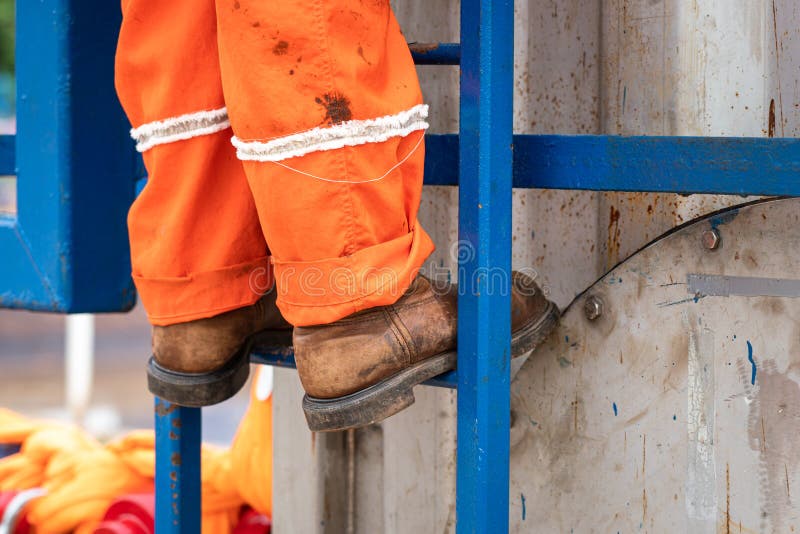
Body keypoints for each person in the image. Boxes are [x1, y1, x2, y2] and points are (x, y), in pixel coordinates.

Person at [114, 0, 558, 432]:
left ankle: (206, 296)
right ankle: (353, 300)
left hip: (177, 283)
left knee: (178, 20)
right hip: (353, 282)